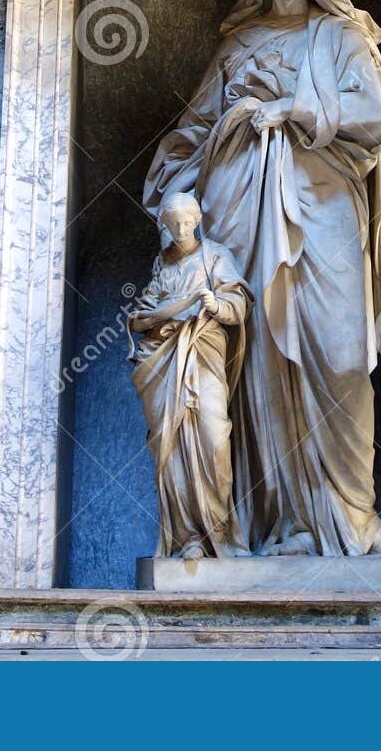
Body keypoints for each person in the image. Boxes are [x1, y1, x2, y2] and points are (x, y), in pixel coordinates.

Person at [143, 0, 381, 559]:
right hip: (241, 209)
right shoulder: (239, 42)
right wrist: (231, 123)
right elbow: (189, 136)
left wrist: (290, 106)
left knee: (341, 355)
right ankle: (281, 525)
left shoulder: (342, 36)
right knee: (258, 354)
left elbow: (373, 119)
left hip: (323, 209)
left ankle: (354, 517)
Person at [128, 190, 252, 560]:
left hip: (203, 355)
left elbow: (240, 302)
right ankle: (188, 538)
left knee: (214, 437)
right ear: (164, 224)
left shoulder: (216, 256)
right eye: (174, 223)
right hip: (163, 361)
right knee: (172, 447)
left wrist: (219, 304)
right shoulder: (161, 265)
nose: (181, 230)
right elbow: (142, 315)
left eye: (187, 222)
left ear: (198, 220)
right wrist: (164, 314)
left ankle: (220, 533)